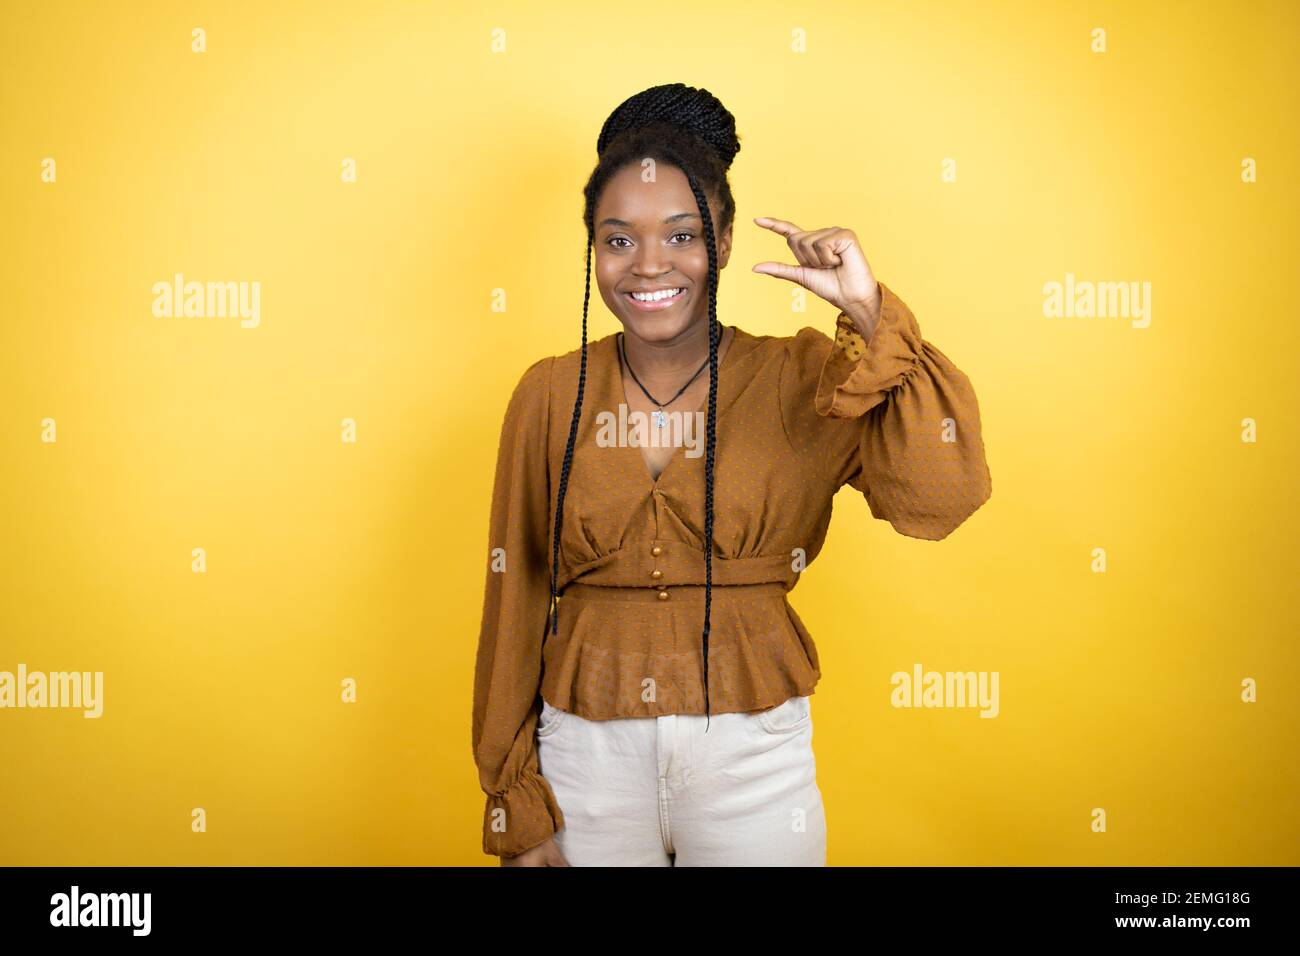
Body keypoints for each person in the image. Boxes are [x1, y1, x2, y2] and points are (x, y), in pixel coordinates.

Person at [471, 82, 992, 866]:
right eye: (618, 240)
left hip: (754, 761)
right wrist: (513, 799)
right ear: (593, 248)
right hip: (582, 762)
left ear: (722, 238)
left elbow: (943, 494)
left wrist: (871, 313)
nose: (649, 264)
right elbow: (513, 597)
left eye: (681, 235)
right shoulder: (547, 394)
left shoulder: (806, 376)